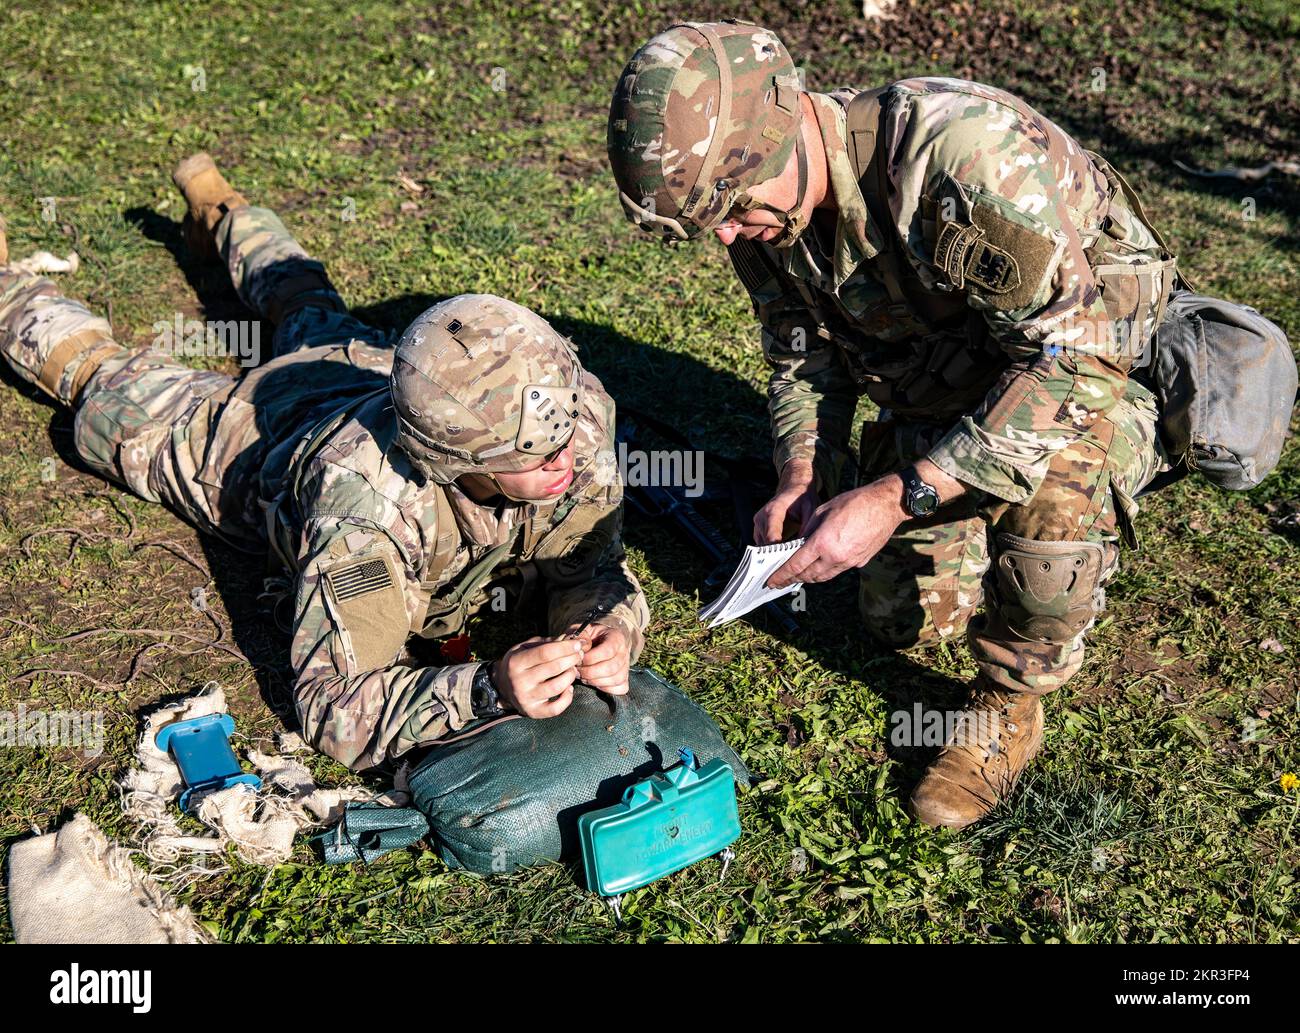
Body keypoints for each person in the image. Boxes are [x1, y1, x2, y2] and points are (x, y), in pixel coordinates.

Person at [607, 19, 1178, 827]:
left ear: (784, 133)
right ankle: (976, 509)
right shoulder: (761, 206)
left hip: (1090, 373)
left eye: (732, 212)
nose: (729, 236)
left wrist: (898, 495)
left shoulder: (958, 158)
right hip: (949, 382)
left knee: (1053, 501)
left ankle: (1009, 702)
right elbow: (802, 354)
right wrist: (804, 468)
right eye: (715, 226)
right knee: (901, 621)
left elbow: (1071, 360)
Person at [0, 154, 649, 772]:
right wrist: (483, 688)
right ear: (454, 461)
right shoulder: (367, 515)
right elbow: (333, 705)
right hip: (265, 443)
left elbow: (590, 569)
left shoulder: (572, 419)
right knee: (107, 386)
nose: (567, 457)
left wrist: (610, 628)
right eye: (533, 453)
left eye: (565, 428)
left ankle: (221, 208)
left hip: (368, 370)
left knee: (305, 302)